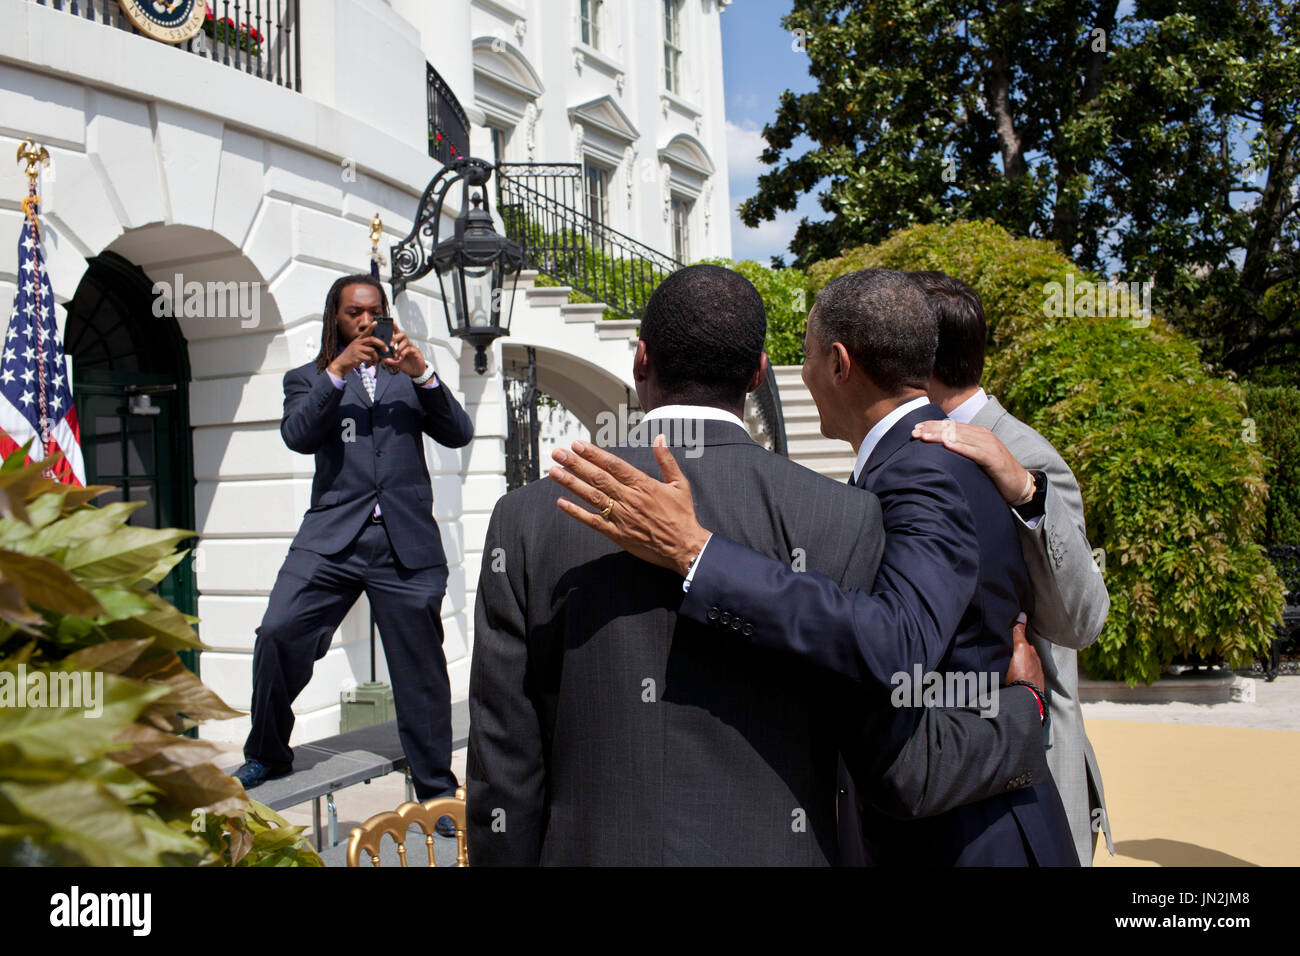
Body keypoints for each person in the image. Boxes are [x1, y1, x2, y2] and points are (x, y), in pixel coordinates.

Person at [469, 264, 1054, 866]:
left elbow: (504, 762)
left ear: (641, 359)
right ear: (757, 374)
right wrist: (1021, 714)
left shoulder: (526, 519)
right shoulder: (844, 518)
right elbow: (892, 757)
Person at [233, 274, 473, 835]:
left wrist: (425, 374)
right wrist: (338, 372)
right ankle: (268, 751)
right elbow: (297, 435)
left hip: (404, 544)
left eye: (374, 312)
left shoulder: (411, 379)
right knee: (277, 633)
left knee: (421, 669)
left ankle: (436, 789)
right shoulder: (309, 378)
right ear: (335, 319)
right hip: (332, 539)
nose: (367, 322)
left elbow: (458, 433)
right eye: (354, 314)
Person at [908, 269, 1113, 864]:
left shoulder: (1023, 453)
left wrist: (1027, 492)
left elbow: (1083, 620)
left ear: (920, 361)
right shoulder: (915, 449)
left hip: (1031, 783)